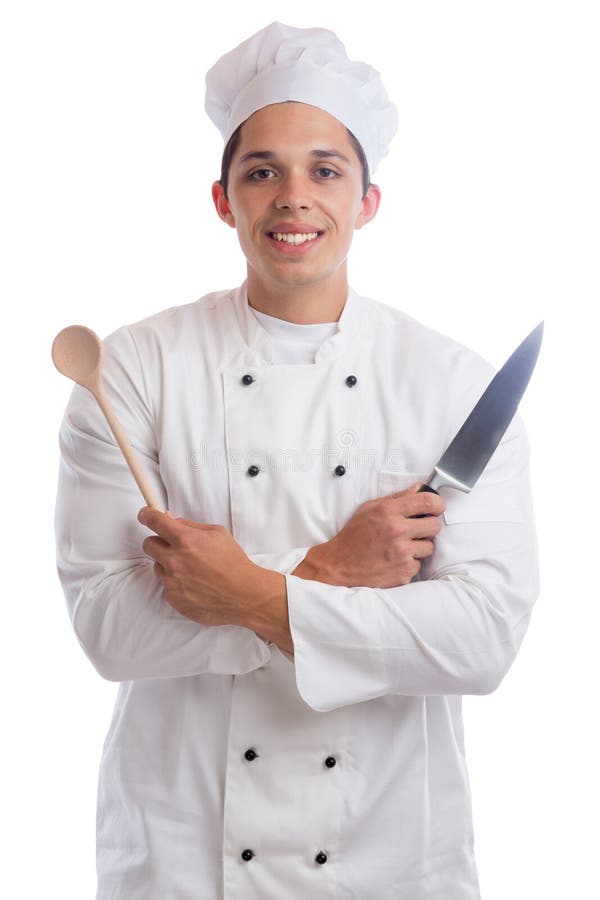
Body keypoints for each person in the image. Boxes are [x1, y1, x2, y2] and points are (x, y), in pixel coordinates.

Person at [54, 21, 539, 900]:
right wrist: (331, 571)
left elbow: (482, 642)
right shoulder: (130, 368)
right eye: (262, 171)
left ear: (368, 201)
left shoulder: (455, 385)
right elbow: (108, 628)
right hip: (182, 854)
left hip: (390, 855)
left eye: (325, 170)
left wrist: (244, 591)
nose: (293, 198)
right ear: (222, 198)